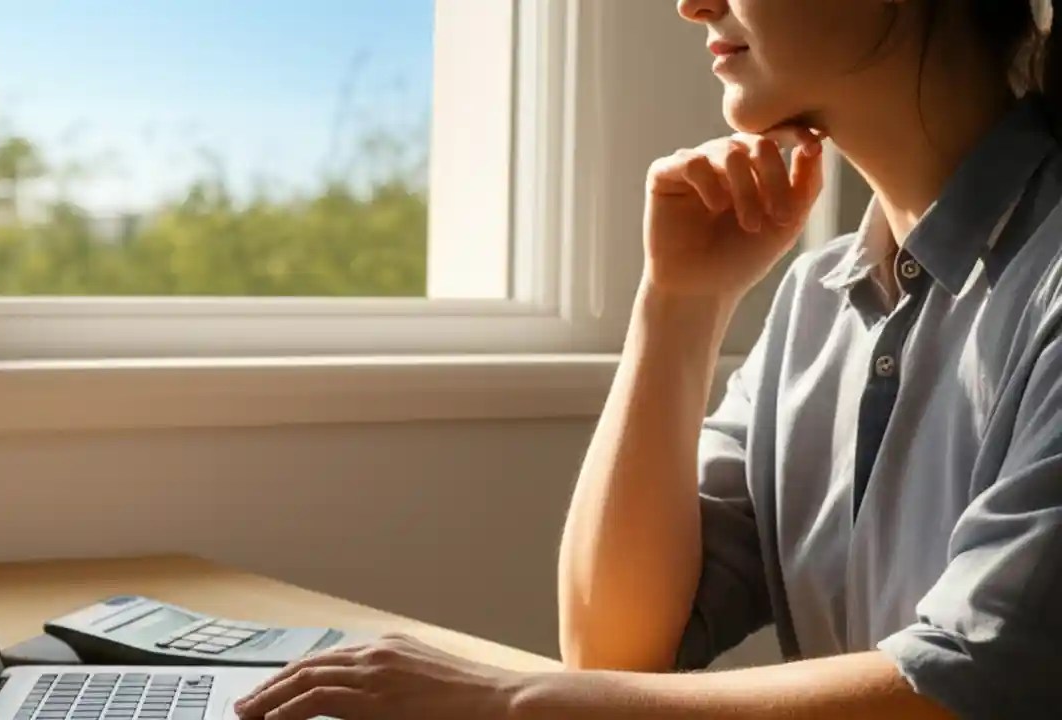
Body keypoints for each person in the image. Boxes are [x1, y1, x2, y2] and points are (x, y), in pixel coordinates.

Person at [234, 0, 1062, 717]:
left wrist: (505, 701)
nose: (692, 5)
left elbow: (968, 689)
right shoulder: (819, 300)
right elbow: (612, 645)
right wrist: (678, 307)